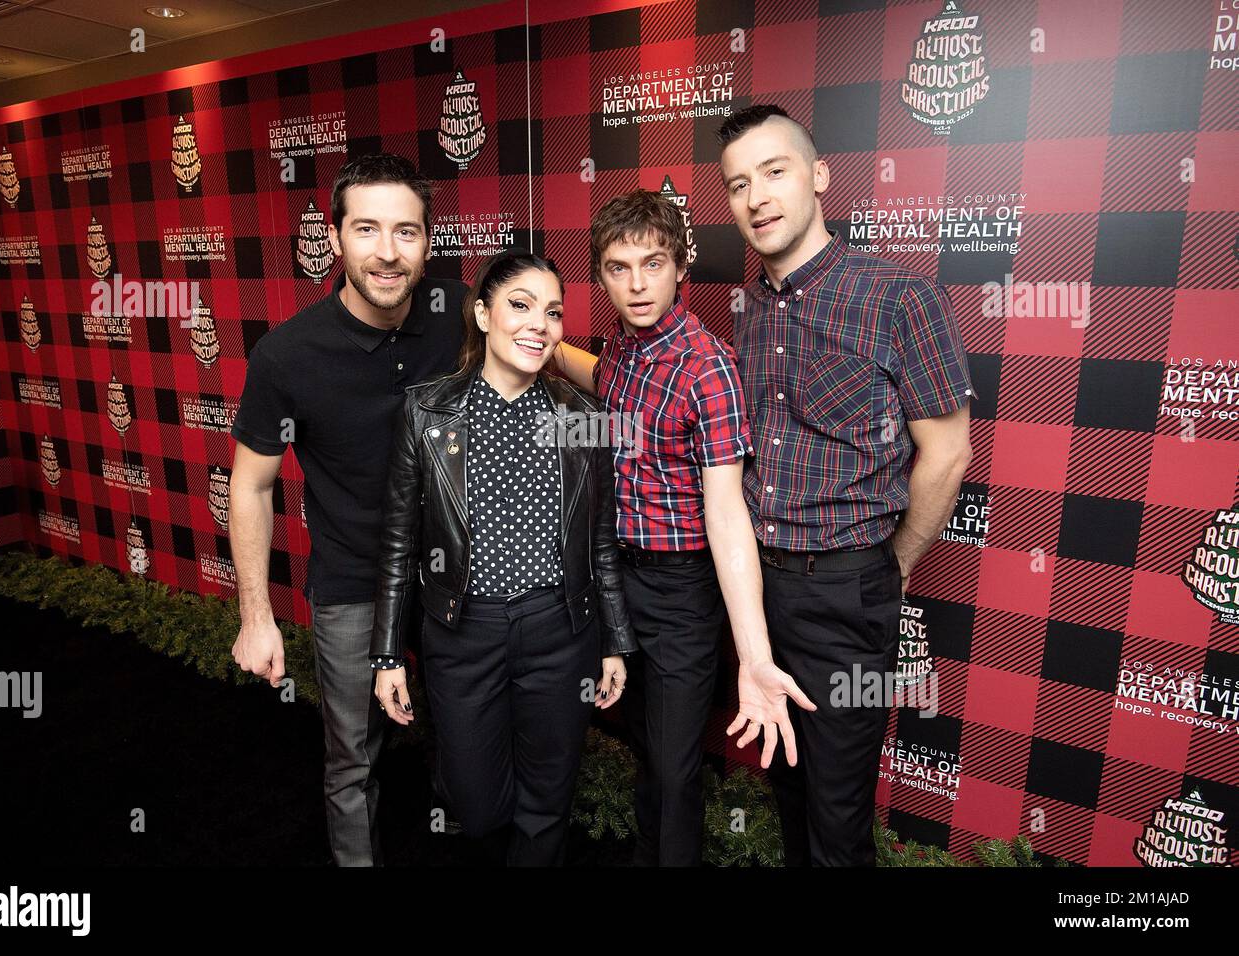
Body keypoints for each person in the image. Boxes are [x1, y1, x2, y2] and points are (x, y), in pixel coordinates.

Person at [717, 104, 974, 865]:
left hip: (847, 591)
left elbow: (949, 454)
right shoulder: (753, 310)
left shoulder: (901, 298)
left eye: (775, 171)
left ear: (819, 176)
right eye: (738, 184)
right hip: (762, 593)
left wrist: (890, 565)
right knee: (788, 787)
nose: (757, 196)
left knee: (836, 820)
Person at [553, 189, 811, 866]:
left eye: (653, 263)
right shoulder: (621, 345)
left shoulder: (709, 368)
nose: (637, 284)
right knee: (641, 745)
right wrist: (546, 347)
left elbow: (726, 510)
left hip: (679, 593)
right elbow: (604, 382)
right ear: (601, 273)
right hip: (617, 577)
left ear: (679, 267)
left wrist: (754, 652)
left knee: (673, 767)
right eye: (618, 267)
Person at [227, 153, 466, 866]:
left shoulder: (456, 310)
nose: (387, 253)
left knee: (462, 734)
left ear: (428, 239)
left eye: (406, 231)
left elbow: (546, 346)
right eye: (367, 229)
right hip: (354, 586)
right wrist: (255, 615)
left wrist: (632, 372)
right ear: (334, 240)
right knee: (354, 758)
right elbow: (250, 485)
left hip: (456, 577)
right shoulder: (286, 355)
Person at [371, 250, 637, 866]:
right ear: (483, 313)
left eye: (552, 312)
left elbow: (598, 540)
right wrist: (388, 655)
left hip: (558, 630)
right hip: (464, 632)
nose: (538, 324)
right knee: (477, 803)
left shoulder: (581, 417)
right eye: (520, 306)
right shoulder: (428, 411)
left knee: (547, 803)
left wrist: (613, 641)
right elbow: (397, 544)